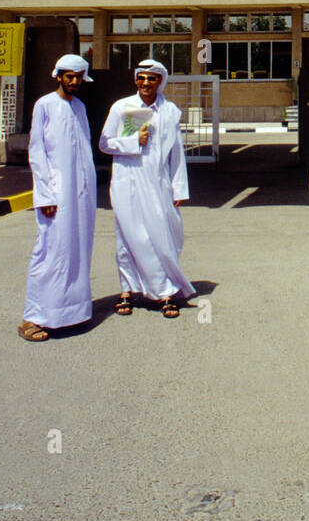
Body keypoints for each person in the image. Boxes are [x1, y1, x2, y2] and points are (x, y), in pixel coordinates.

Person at [99, 59, 194, 317]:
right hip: (127, 179)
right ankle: (128, 290)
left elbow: (176, 153)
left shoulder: (171, 111)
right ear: (135, 80)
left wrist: (179, 188)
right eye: (141, 78)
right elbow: (105, 143)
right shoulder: (122, 107)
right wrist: (133, 141)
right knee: (128, 236)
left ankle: (165, 288)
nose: (146, 83)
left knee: (162, 234)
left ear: (160, 81)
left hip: (158, 182)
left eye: (152, 78)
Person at [19, 53, 98, 342]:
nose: (74, 81)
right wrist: (45, 194)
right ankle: (33, 318)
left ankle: (70, 314)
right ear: (59, 76)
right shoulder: (45, 105)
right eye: (69, 76)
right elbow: (37, 152)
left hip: (81, 194)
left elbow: (84, 151)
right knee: (49, 251)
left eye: (78, 77)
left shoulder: (79, 107)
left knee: (76, 250)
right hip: (55, 193)